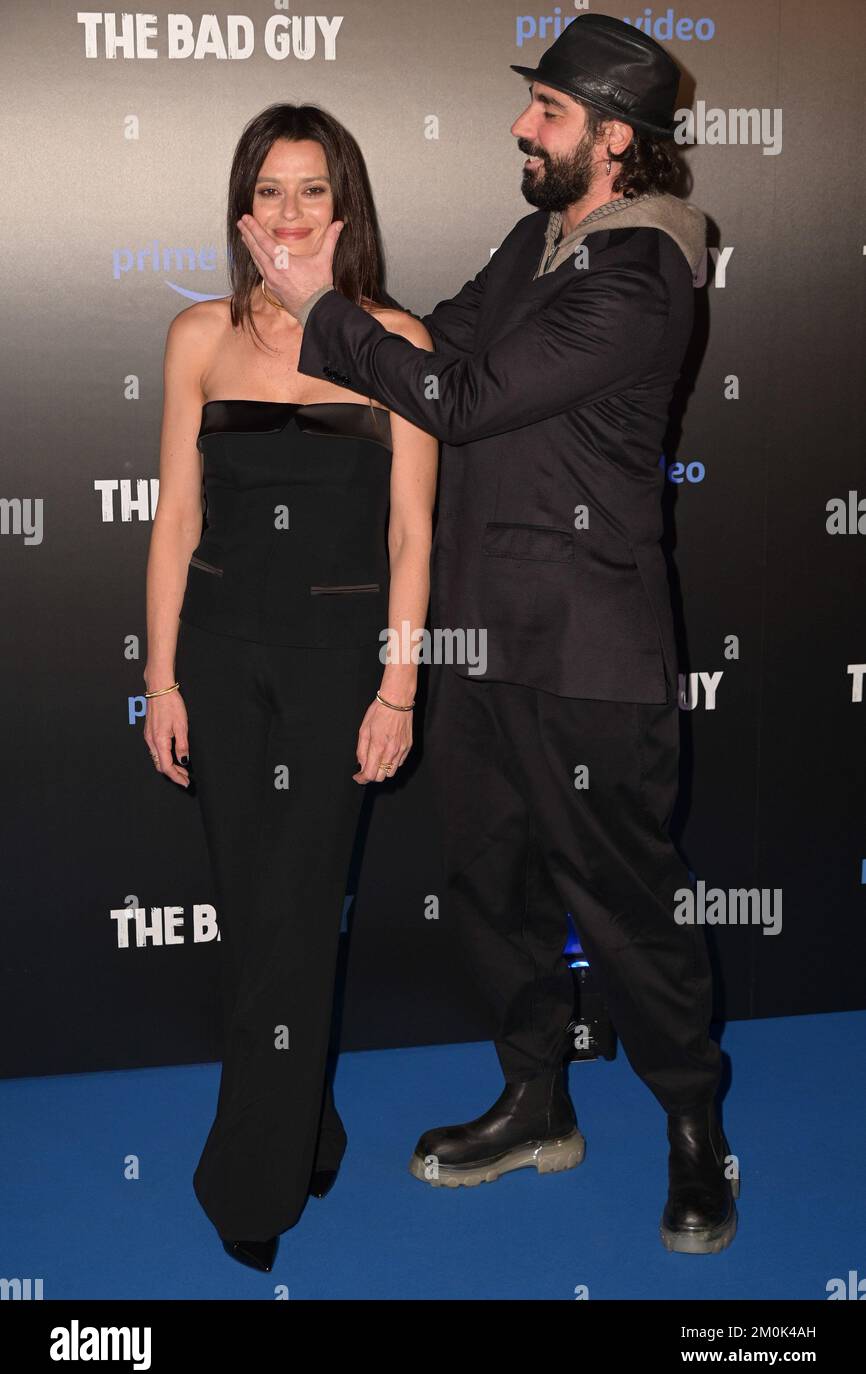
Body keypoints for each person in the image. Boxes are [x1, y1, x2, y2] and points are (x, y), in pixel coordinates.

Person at [238, 12, 738, 1256]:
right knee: (488, 892)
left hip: (588, 657)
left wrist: (313, 311)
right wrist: (317, 300)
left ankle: (691, 1131)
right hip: (472, 645)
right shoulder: (538, 240)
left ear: (613, 139)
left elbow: (453, 401)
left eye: (549, 114)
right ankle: (534, 1101)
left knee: (624, 905)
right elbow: (434, 343)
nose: (523, 127)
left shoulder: (639, 274)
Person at [143, 103, 438, 1273]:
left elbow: (414, 534)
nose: (289, 211)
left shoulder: (392, 341)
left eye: (311, 189)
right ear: (241, 208)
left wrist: (398, 687)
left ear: (346, 205)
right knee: (254, 904)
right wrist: (158, 674)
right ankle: (309, 1124)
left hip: (333, 673)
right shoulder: (197, 337)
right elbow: (177, 518)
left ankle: (250, 1179)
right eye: (269, 190)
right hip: (217, 659)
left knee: (294, 913)